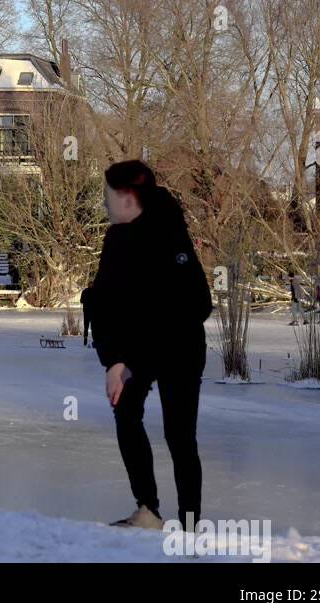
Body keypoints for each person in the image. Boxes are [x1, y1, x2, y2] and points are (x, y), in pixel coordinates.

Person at [90, 160, 212, 530]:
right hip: (134, 351)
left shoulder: (170, 235)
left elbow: (197, 305)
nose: (105, 204)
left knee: (179, 436)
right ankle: (148, 511)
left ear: (128, 199)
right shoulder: (115, 240)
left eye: (109, 196)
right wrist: (113, 361)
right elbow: (104, 304)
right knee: (126, 414)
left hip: (180, 349)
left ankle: (190, 527)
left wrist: (131, 361)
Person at [80, 283, 94, 347]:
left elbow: (81, 300)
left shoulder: (85, 291)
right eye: (90, 284)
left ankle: (92, 340)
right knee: (86, 326)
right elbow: (81, 300)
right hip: (87, 311)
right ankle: (85, 338)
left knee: (90, 327)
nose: (91, 286)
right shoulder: (85, 291)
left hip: (92, 312)